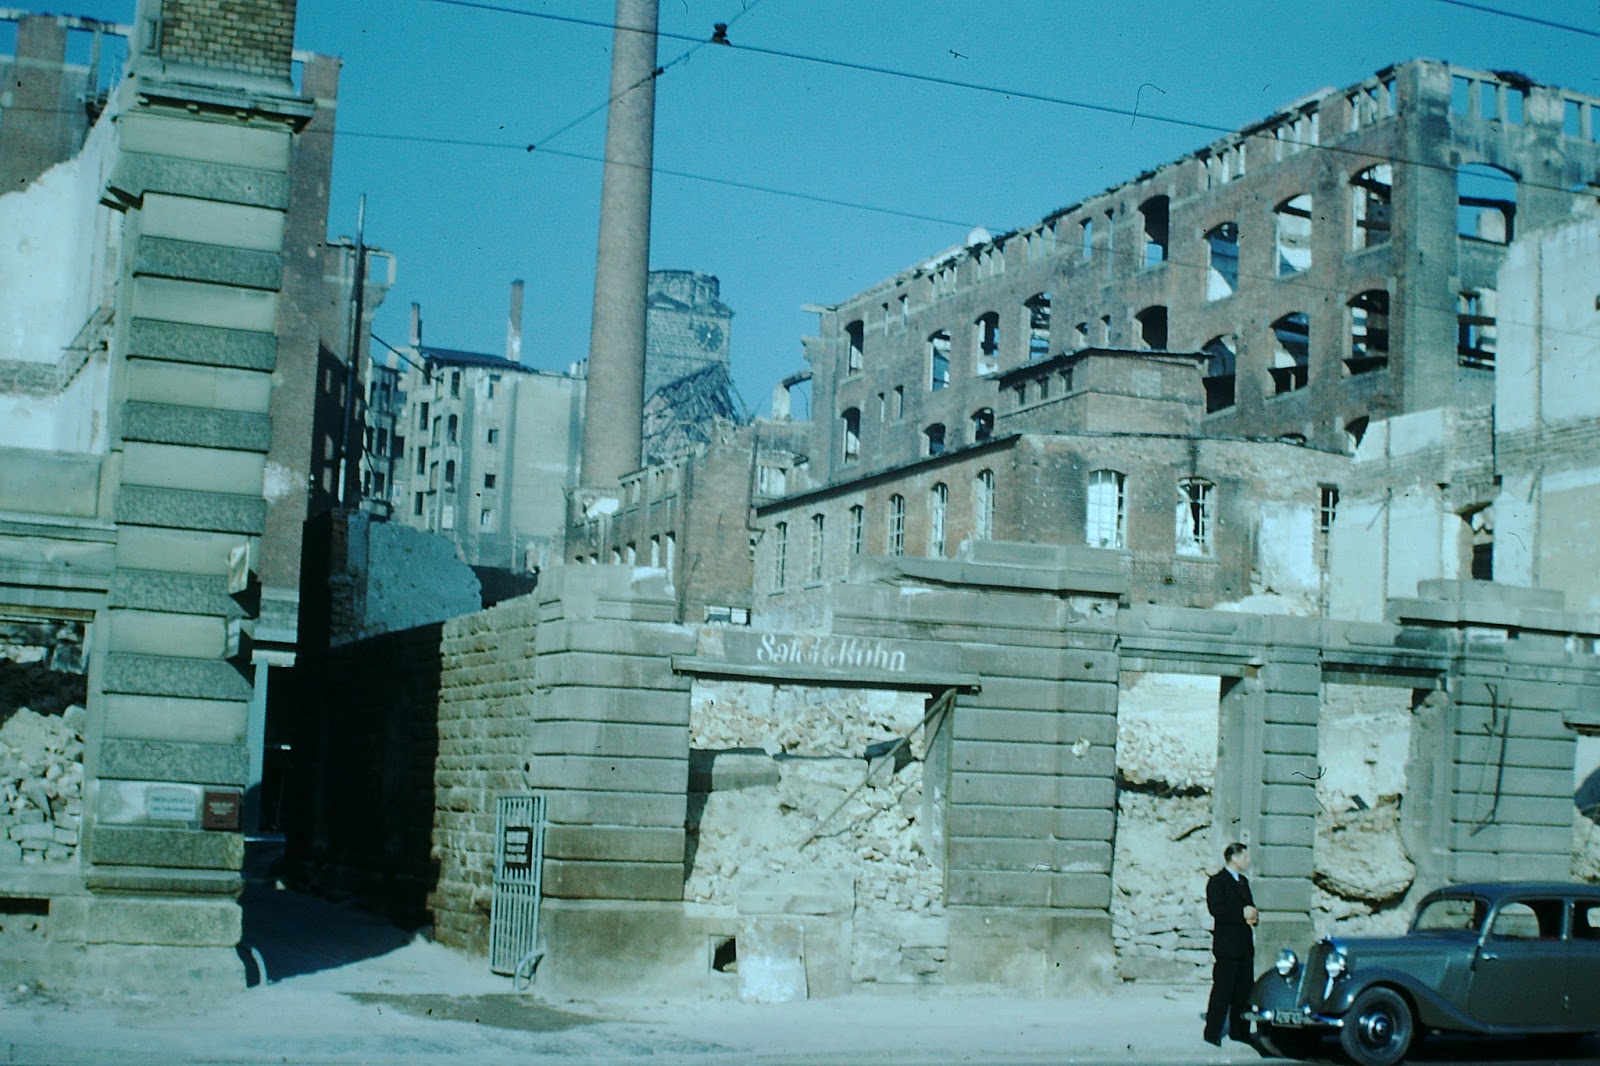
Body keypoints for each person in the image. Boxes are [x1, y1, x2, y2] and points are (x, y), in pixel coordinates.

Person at [1203, 841, 1258, 1047]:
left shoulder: (1243, 881)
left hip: (1244, 945)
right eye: (1244, 857)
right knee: (1223, 990)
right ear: (1234, 858)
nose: (1247, 860)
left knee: (1244, 991)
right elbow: (1217, 909)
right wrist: (1241, 913)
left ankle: (1240, 1032)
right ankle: (1212, 1032)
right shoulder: (1217, 882)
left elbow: (1249, 906)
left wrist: (1253, 914)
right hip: (1227, 945)